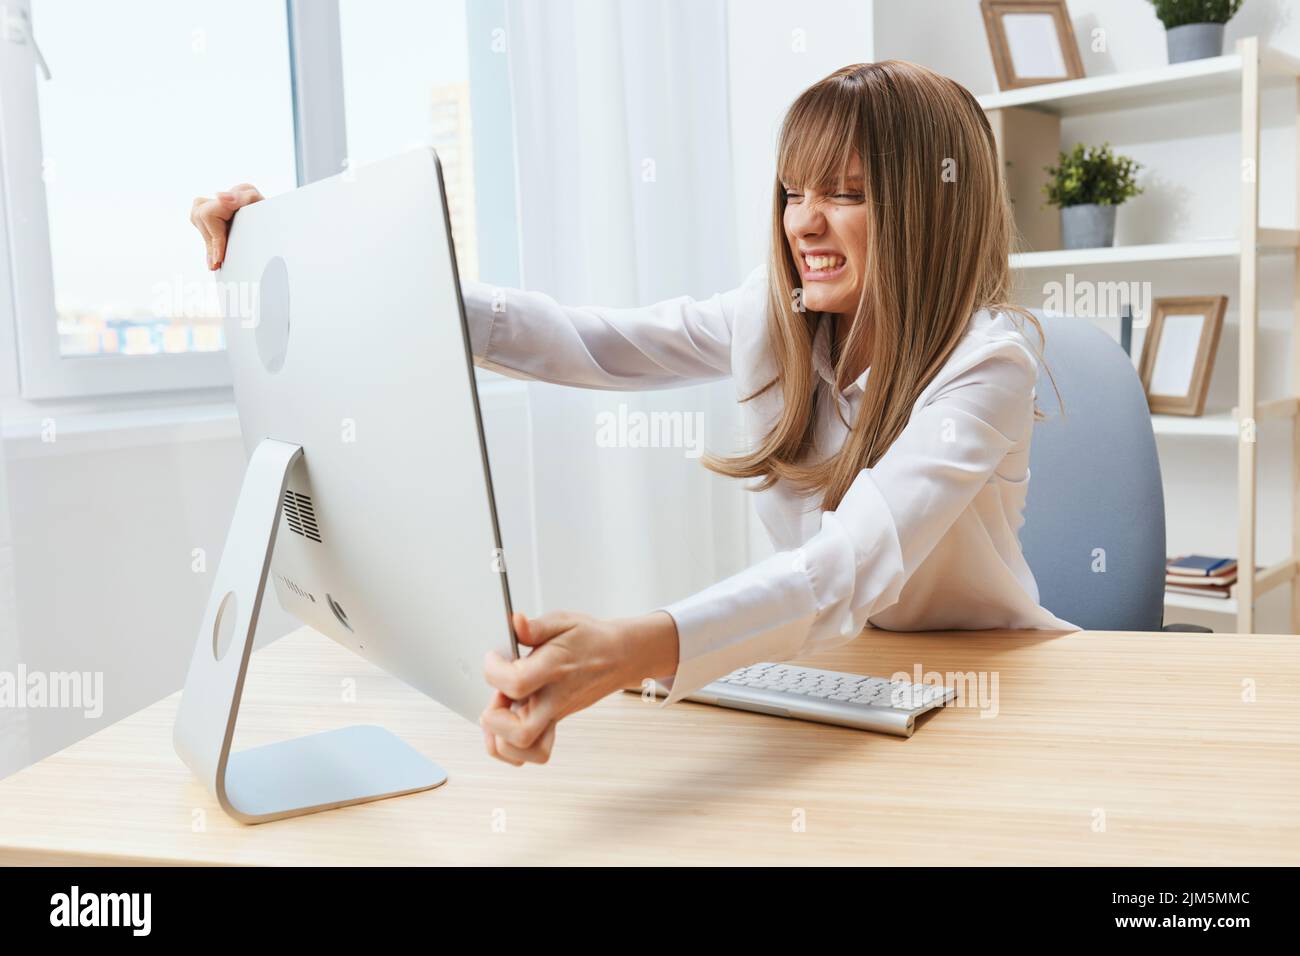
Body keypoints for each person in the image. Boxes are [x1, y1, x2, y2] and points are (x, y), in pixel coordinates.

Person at [189, 60, 1080, 769]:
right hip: (852, 677)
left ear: (932, 208)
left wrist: (636, 645)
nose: (803, 223)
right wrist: (353, 274)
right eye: (791, 192)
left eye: (845, 193)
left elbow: (848, 563)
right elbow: (590, 342)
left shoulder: (988, 362)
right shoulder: (773, 323)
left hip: (990, 685)